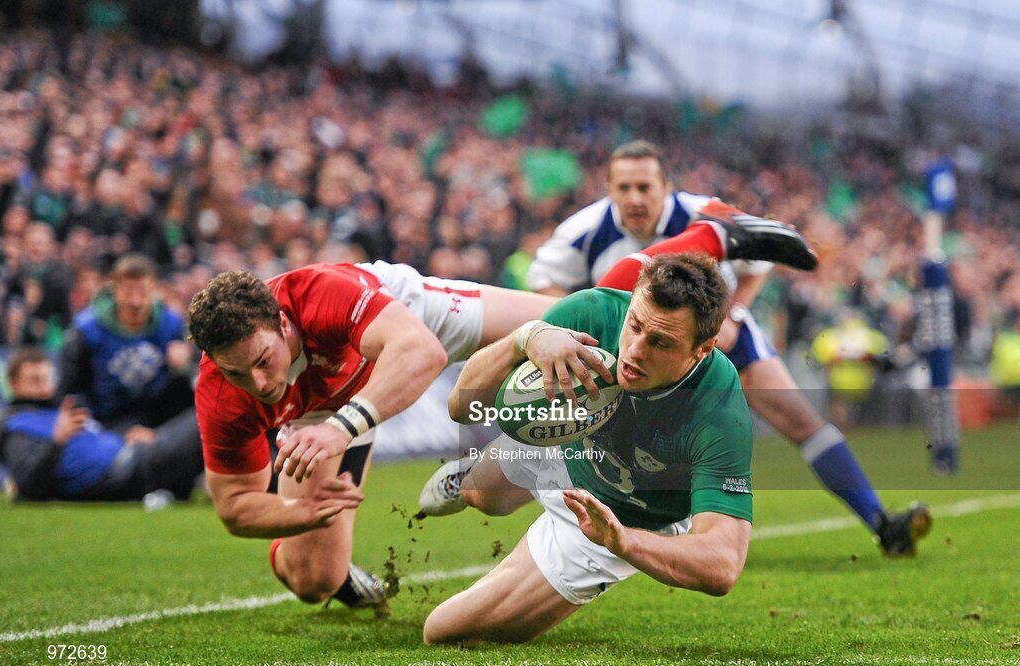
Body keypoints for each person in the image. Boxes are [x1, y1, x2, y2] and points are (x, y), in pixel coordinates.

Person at [187, 220, 812, 613]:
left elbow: (421, 353)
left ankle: (711, 238)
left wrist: (341, 428)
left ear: (282, 320)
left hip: (406, 324)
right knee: (312, 580)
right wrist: (300, 512)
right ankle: (480, 479)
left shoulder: (321, 295)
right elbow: (236, 506)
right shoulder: (223, 389)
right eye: (238, 373)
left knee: (583, 311)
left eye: (263, 362)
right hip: (336, 409)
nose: (259, 385)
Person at [525, 139, 930, 557]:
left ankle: (881, 523)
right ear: (608, 188)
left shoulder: (702, 213)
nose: (635, 198)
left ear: (667, 187)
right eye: (624, 188)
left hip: (720, 341)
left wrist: (734, 316)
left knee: (800, 419)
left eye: (645, 187)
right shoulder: (582, 231)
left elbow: (757, 264)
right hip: (632, 350)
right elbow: (544, 284)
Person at [420, 254, 753, 644]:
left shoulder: (718, 412)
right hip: (570, 439)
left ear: (703, 348)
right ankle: (469, 482)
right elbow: (461, 407)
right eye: (635, 325)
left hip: (614, 517)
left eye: (660, 342)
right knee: (481, 496)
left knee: (442, 630)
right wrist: (524, 337)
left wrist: (623, 541)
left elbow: (723, 564)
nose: (635, 351)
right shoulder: (591, 313)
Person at [0, 348, 204, 502]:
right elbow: (27, 484)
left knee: (198, 412)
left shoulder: (57, 410)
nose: (44, 386)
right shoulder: (16, 425)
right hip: (119, 476)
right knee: (209, 416)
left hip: (133, 452)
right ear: (13, 383)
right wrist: (57, 439)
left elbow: (96, 437)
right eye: (34, 380)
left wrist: (125, 435)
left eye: (47, 378)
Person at [59, 254, 196, 436]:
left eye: (143, 292)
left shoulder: (172, 325)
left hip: (160, 422)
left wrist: (185, 366)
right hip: (106, 425)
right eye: (128, 292)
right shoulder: (86, 331)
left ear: (155, 290)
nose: (135, 302)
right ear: (114, 290)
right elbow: (70, 392)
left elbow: (194, 382)